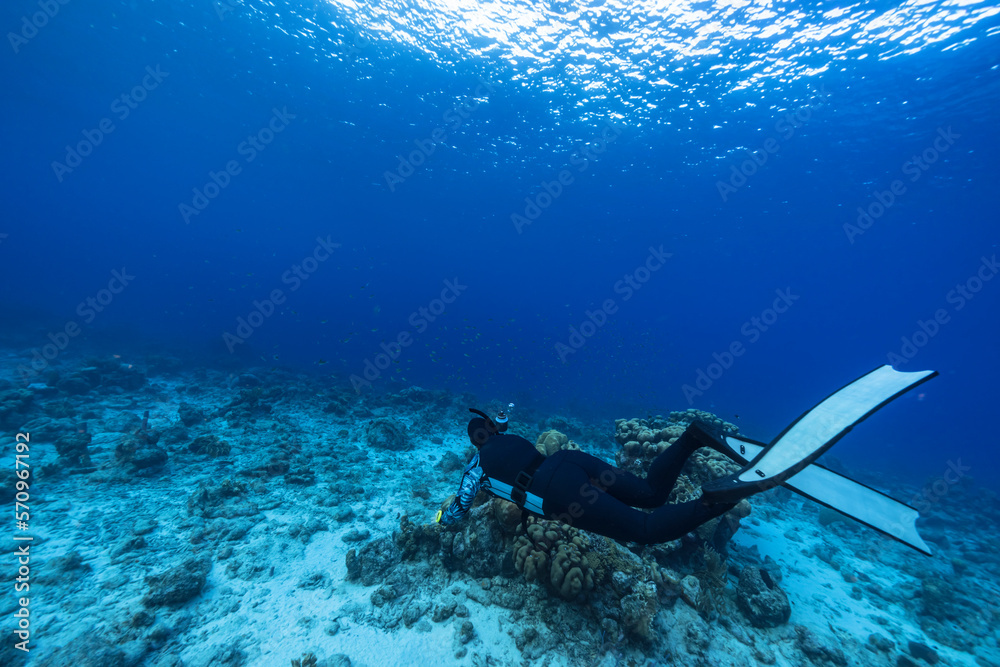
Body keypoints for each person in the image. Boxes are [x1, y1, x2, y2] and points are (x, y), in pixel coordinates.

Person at [436, 407, 742, 545]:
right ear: (490, 430)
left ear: (473, 442)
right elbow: (501, 423)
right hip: (569, 460)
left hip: (555, 491)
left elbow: (460, 508)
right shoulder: (508, 436)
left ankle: (716, 502)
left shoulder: (475, 468)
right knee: (651, 493)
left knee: (645, 529)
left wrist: (441, 518)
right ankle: (693, 436)